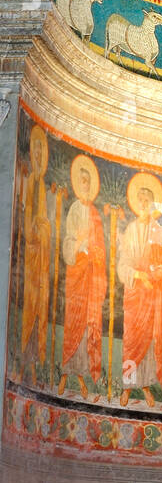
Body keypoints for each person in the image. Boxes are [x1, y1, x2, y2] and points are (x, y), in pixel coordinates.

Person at [117, 177, 162, 409]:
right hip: (136, 293)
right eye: (140, 199)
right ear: (135, 202)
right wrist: (141, 276)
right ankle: (128, 385)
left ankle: (145, 386)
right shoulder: (131, 230)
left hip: (153, 296)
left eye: (147, 200)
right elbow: (123, 264)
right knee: (132, 341)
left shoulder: (159, 230)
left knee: (149, 342)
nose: (143, 203)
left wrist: (159, 273)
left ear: (153, 204)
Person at [57, 156, 106, 401]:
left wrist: (95, 251)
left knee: (87, 324)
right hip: (77, 273)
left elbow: (101, 249)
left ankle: (80, 376)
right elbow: (68, 242)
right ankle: (66, 372)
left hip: (91, 277)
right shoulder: (75, 209)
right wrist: (81, 245)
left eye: (88, 182)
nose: (85, 186)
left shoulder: (96, 214)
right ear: (78, 184)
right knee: (72, 322)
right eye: (82, 181)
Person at [19, 126, 51, 379]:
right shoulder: (31, 182)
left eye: (42, 152)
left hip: (42, 261)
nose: (39, 156)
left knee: (41, 307)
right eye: (36, 151)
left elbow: (46, 223)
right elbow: (26, 223)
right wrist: (35, 230)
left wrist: (46, 229)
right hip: (31, 258)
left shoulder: (43, 187)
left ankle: (36, 362)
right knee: (29, 306)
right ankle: (25, 358)